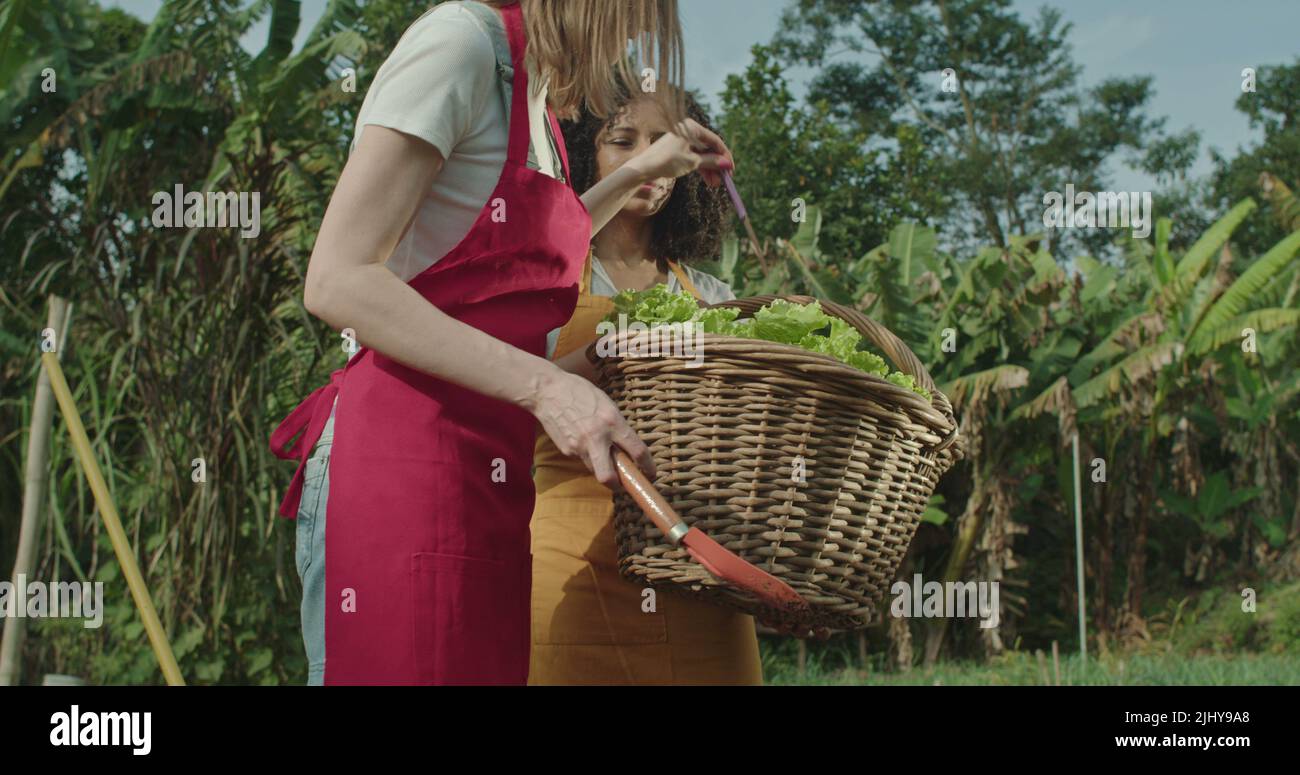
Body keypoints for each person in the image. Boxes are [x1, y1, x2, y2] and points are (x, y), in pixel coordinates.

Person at [270, 0, 735, 685]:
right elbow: (338, 278)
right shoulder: (461, 45)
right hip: (404, 458)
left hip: (489, 475)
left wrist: (643, 169)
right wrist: (548, 387)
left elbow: (541, 241)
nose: (638, 35)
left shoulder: (533, 101)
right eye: (637, 13)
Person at [529, 86, 763, 685]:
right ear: (588, 154)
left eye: (663, 145)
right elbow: (514, 390)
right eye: (623, 141)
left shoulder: (711, 297)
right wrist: (613, 351)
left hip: (697, 560)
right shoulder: (545, 279)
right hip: (571, 554)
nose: (647, 161)